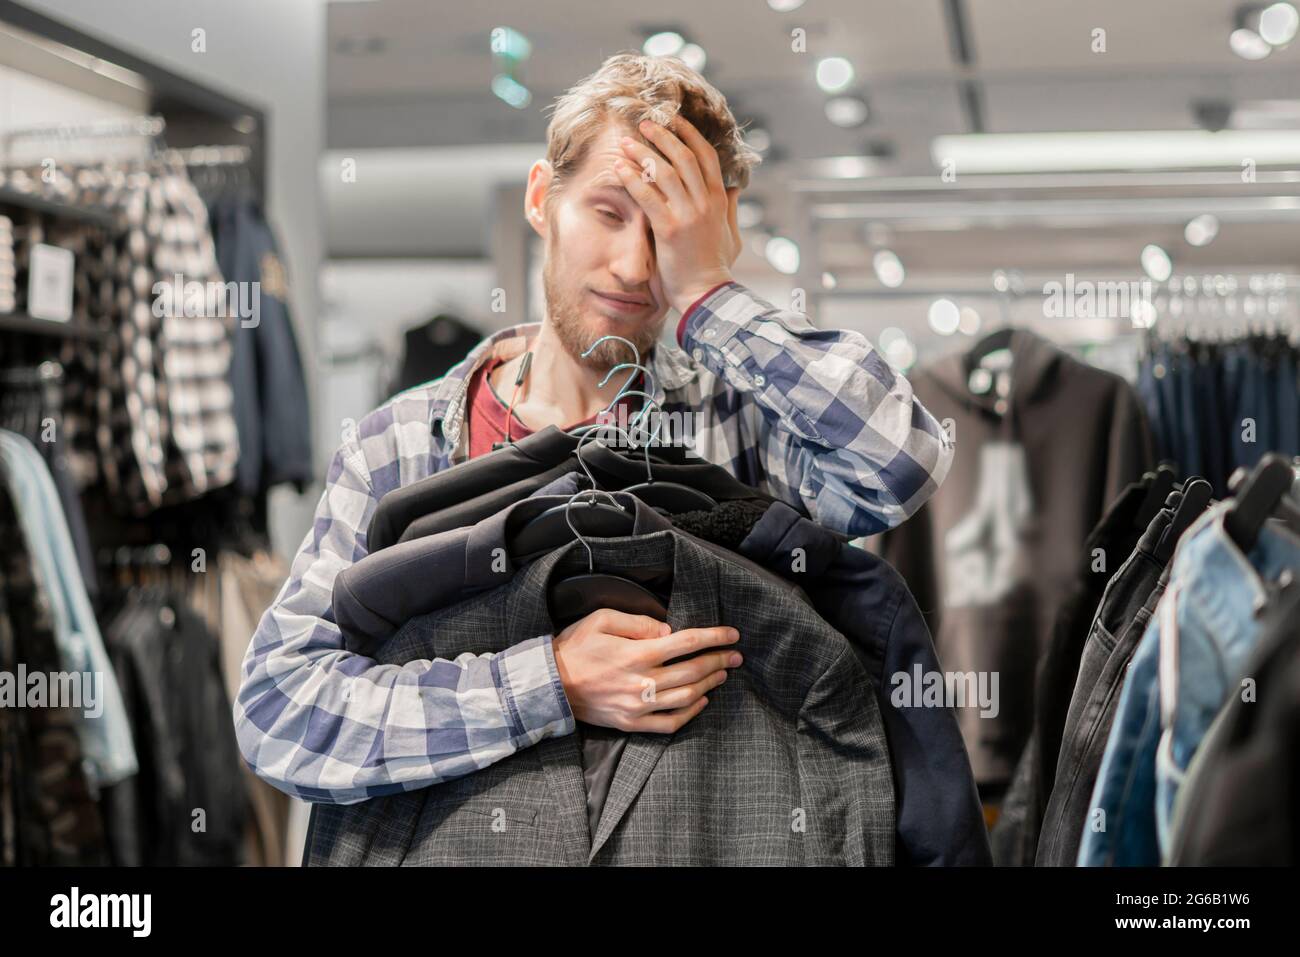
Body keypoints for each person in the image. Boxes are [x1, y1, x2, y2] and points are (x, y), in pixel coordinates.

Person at [234, 52, 953, 804]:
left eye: (669, 232)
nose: (634, 265)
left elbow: (897, 460)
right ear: (543, 198)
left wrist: (708, 294)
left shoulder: (736, 424)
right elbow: (279, 710)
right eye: (609, 212)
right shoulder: (401, 445)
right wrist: (550, 683)